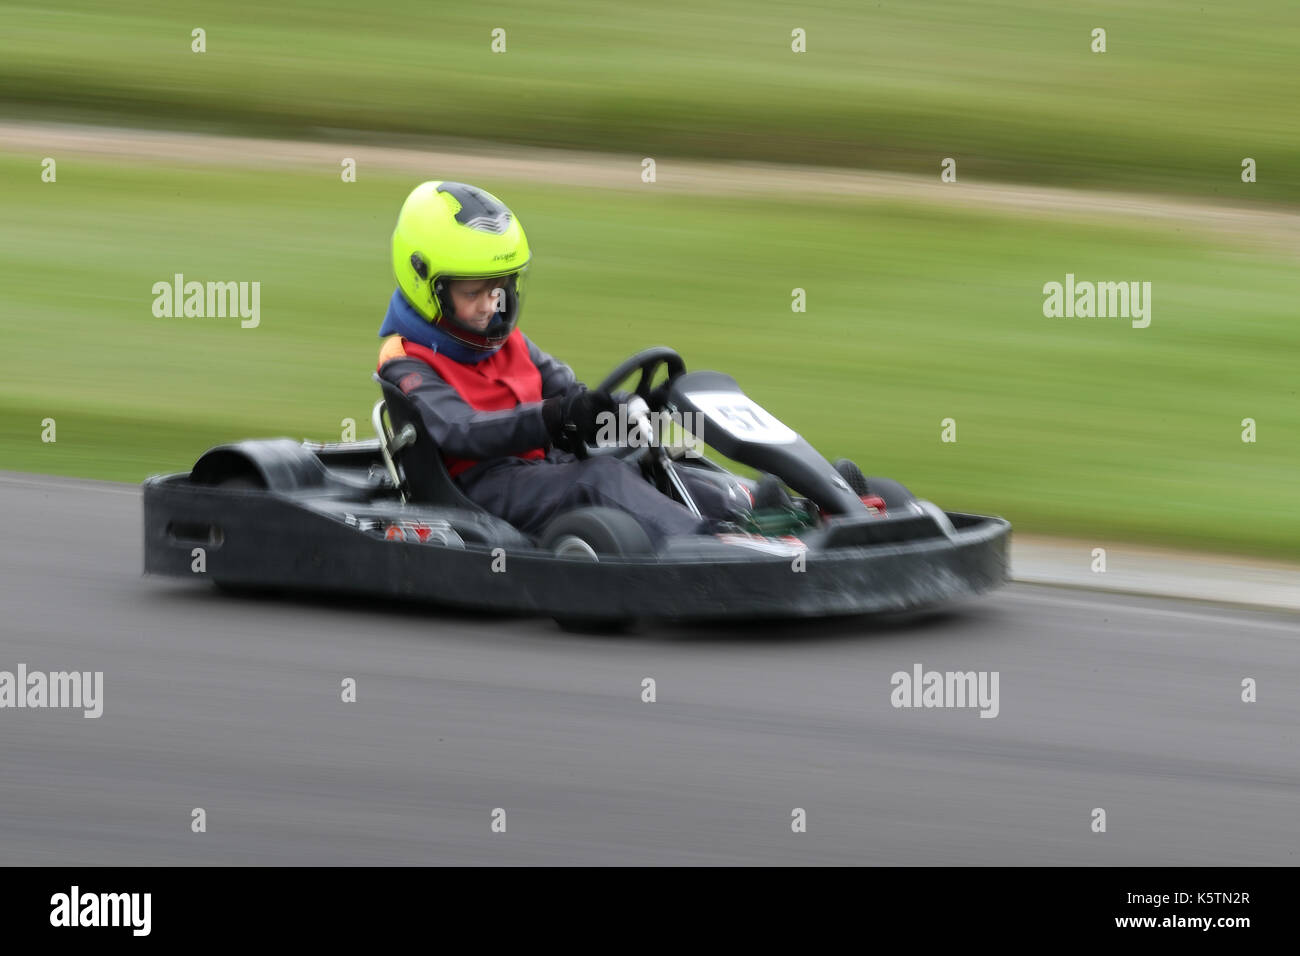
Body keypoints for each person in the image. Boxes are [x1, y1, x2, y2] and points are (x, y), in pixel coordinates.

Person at [375, 181, 742, 546]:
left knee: (647, 461)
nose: (490, 306)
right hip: (483, 487)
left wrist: (631, 407)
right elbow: (461, 430)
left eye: (498, 288)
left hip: (544, 467)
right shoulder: (407, 359)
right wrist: (553, 416)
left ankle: (748, 512)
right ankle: (705, 545)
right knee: (598, 478)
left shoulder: (503, 339)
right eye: (472, 293)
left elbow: (570, 396)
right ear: (426, 283)